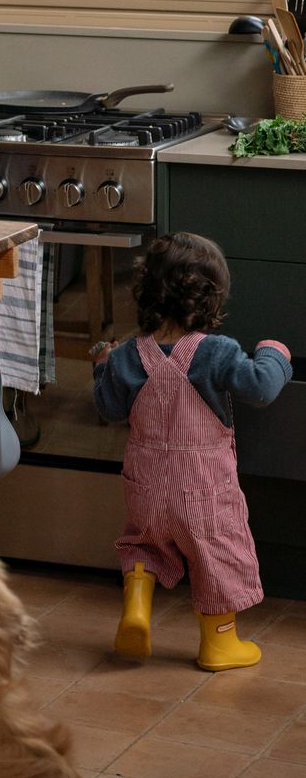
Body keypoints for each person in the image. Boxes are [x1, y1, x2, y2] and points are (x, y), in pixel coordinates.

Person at [92, 232, 290, 671]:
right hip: (203, 490)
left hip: (146, 486)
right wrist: (274, 353)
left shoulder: (128, 354)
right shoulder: (216, 353)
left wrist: (102, 367)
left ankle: (137, 608)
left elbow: (107, 407)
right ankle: (219, 645)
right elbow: (260, 386)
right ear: (210, 298)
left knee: (143, 544)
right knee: (217, 554)